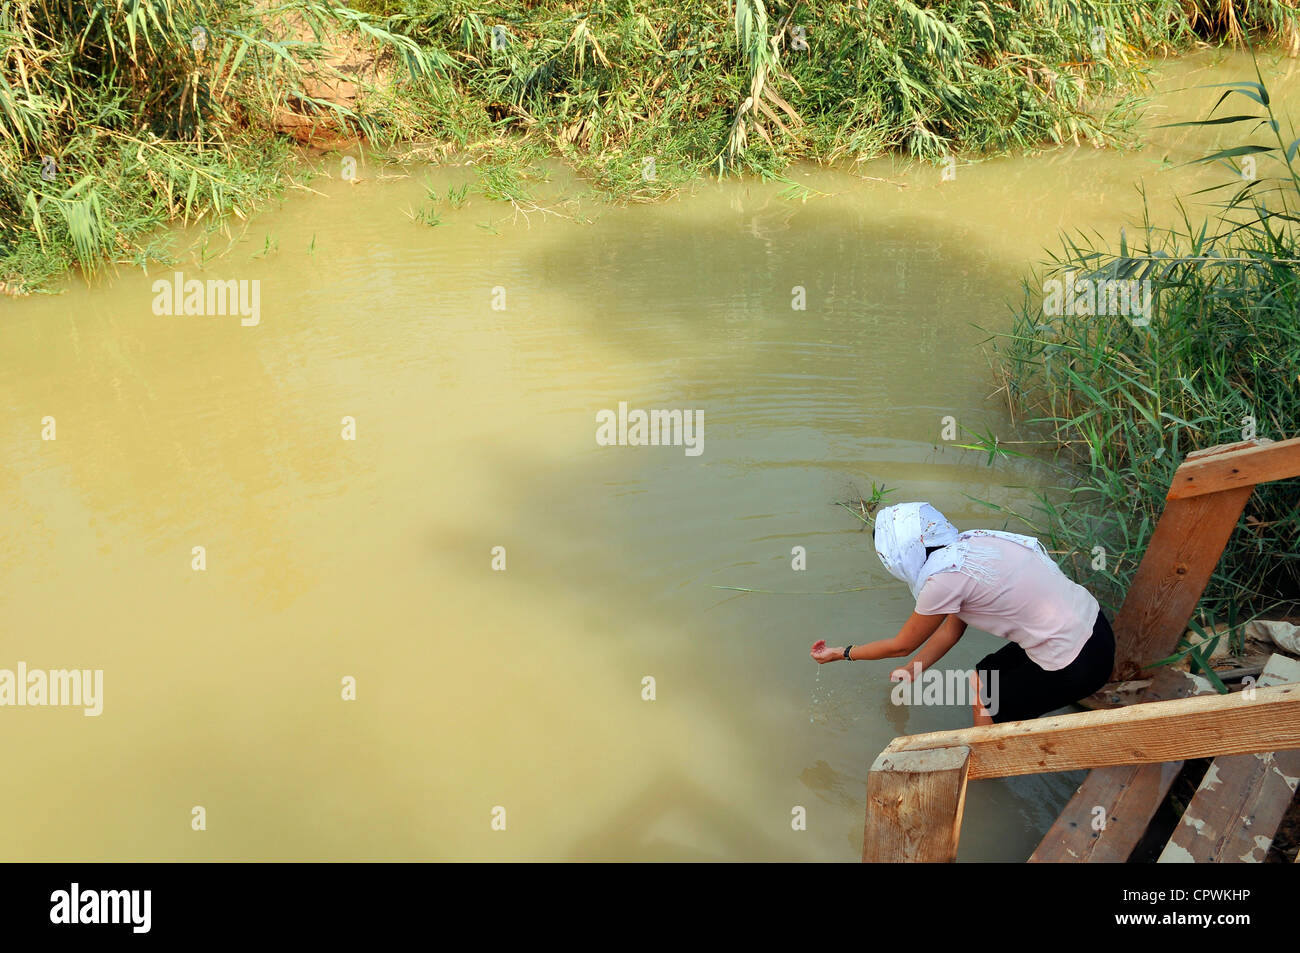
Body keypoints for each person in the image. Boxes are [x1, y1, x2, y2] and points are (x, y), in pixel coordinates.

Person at [810, 501, 1114, 725]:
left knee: (984, 694)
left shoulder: (942, 581)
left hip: (1078, 662)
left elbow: (901, 644)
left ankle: (984, 765)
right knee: (982, 677)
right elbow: (953, 628)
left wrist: (841, 653)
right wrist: (914, 669)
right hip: (1096, 630)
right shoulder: (968, 546)